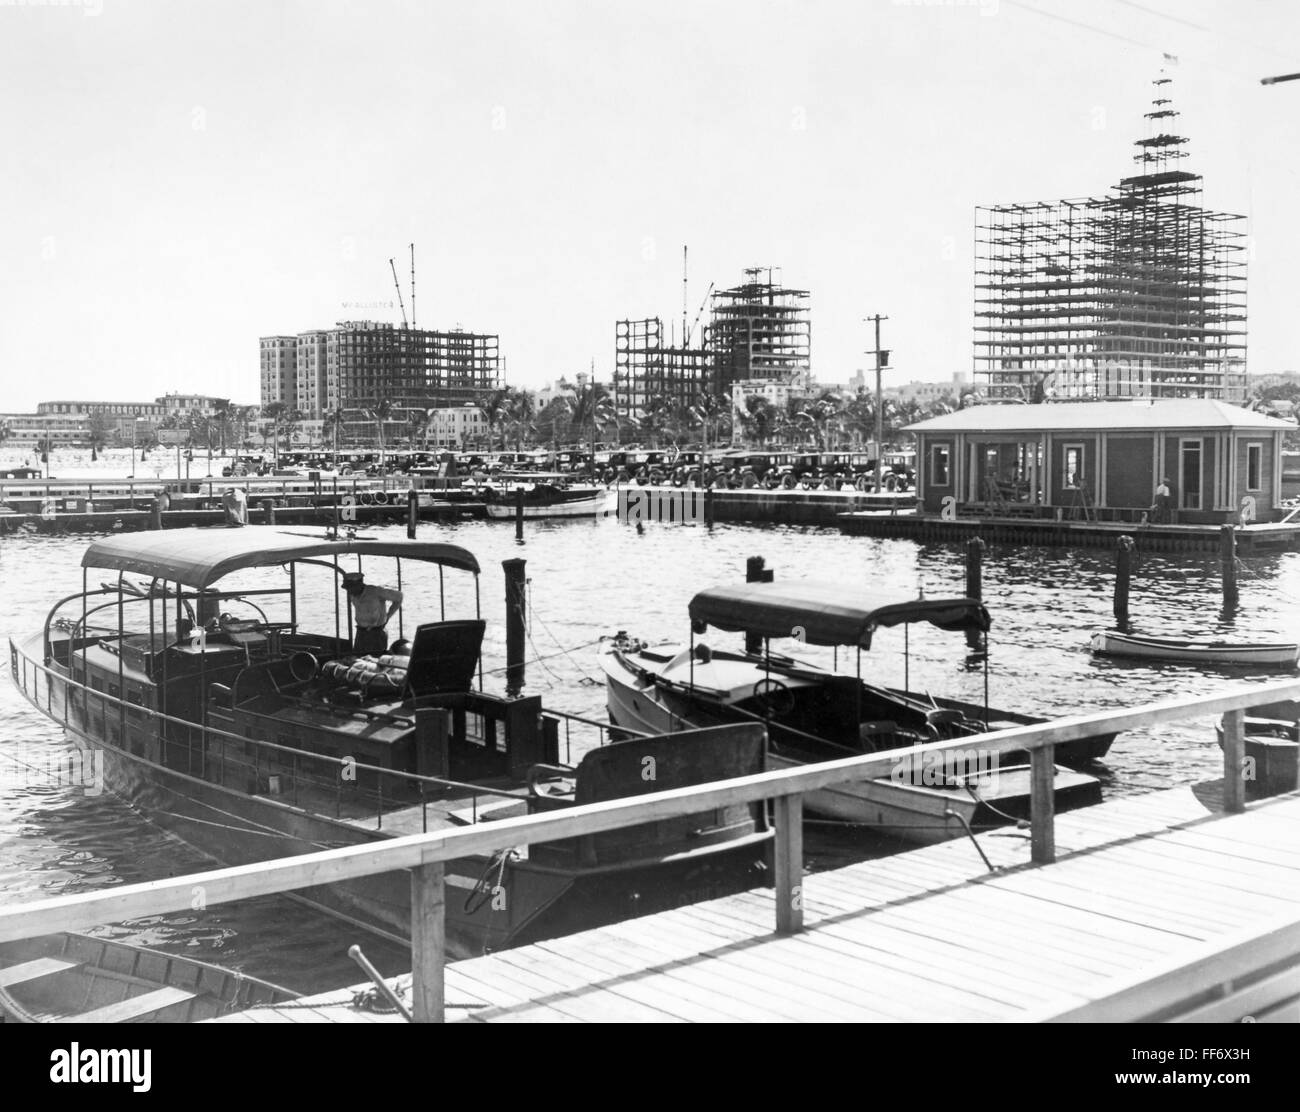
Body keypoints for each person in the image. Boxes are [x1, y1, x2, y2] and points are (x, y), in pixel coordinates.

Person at [342, 571, 403, 656]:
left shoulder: (376, 592)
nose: (349, 591)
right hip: (361, 633)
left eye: (351, 588)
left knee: (375, 661)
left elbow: (399, 597)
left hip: (376, 633)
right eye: (348, 589)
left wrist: (388, 616)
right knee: (359, 660)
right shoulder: (352, 594)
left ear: (359, 585)